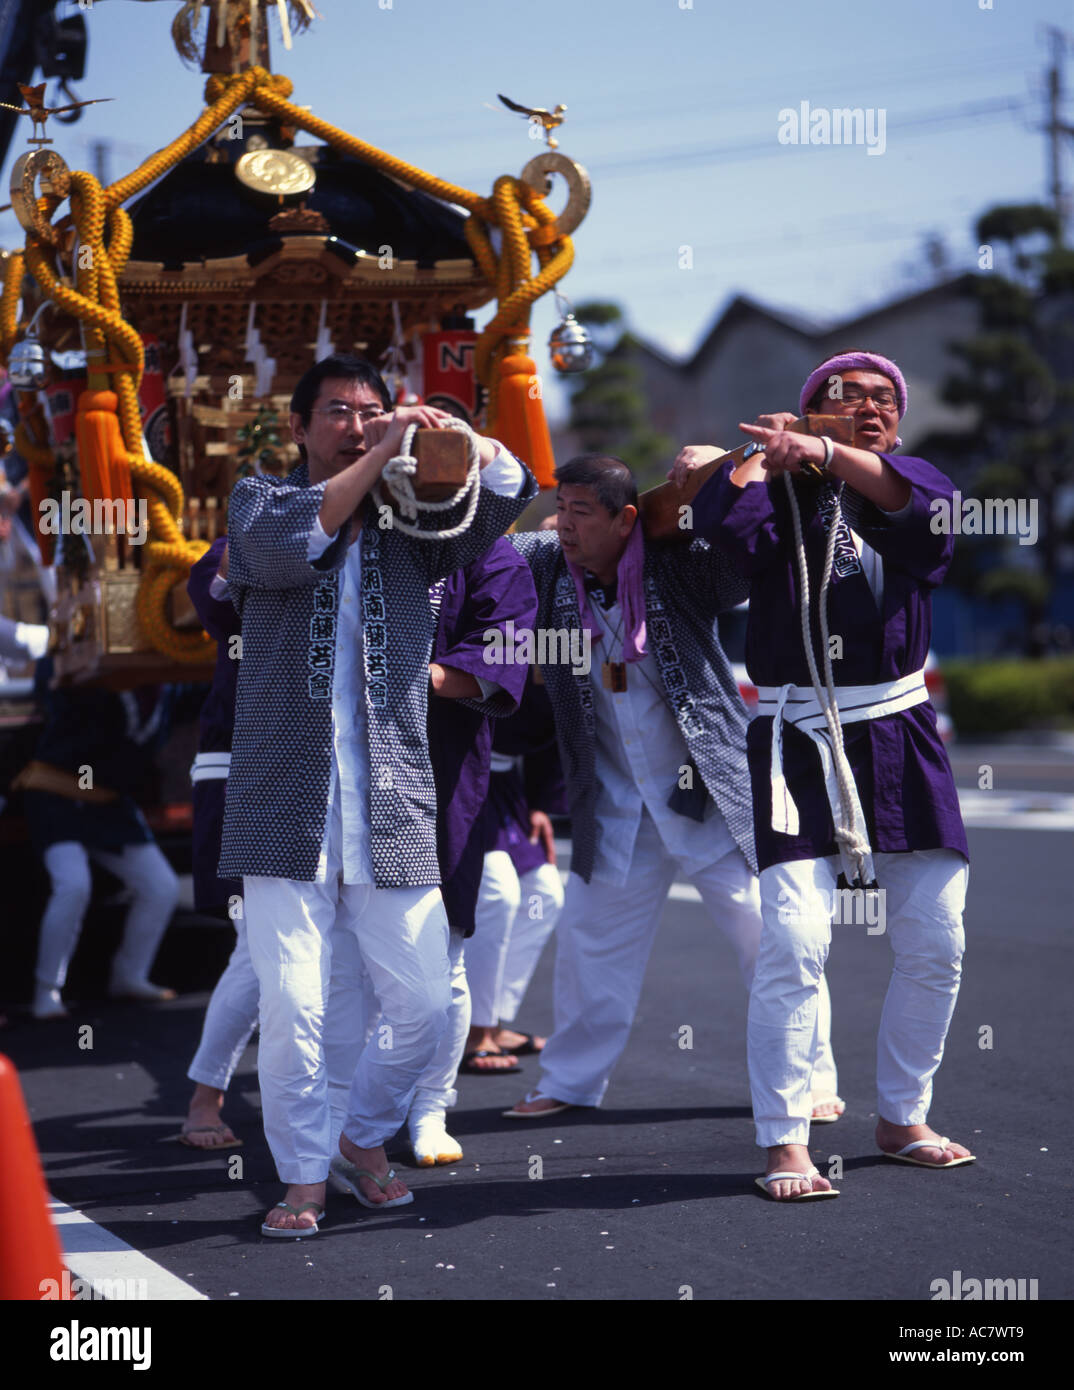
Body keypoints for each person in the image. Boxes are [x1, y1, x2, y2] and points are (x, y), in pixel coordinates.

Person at [220, 353, 536, 1235]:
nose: (357, 424)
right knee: (295, 1009)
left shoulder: (415, 527)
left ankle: (363, 1136)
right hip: (281, 804)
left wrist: (454, 437)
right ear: (297, 426)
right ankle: (304, 1179)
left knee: (428, 1003)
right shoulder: (260, 503)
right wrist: (385, 447)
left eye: (370, 411)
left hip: (392, 803)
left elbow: (511, 489)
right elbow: (304, 541)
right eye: (337, 412)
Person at [680, 349, 973, 1201]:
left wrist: (825, 455)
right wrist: (734, 466)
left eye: (884, 398)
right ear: (807, 414)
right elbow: (720, 544)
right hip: (797, 734)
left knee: (936, 939)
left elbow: (923, 511)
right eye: (845, 399)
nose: (868, 407)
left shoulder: (911, 478)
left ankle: (902, 1116)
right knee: (796, 945)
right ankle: (785, 1140)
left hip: (901, 730)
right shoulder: (774, 489)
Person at [504, 454, 839, 1121]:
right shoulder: (545, 567)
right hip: (615, 797)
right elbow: (488, 550)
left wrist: (719, 469)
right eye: (560, 510)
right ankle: (569, 1081)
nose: (565, 526)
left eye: (582, 513)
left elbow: (736, 557)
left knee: (772, 932)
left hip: (706, 787)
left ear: (627, 518)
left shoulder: (675, 568)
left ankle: (811, 1082)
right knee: (589, 940)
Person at [323, 536, 539, 1166]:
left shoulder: (494, 554)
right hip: (342, 778)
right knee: (342, 967)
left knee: (444, 955)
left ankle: (430, 1109)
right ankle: (343, 1119)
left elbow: (507, 653)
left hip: (441, 782)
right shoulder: (349, 529)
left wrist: (408, 670)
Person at [17, 666, 179, 1019]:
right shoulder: (87, 672)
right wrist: (82, 665)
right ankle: (47, 991)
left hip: (107, 800)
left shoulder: (167, 684)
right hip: (57, 790)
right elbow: (49, 678)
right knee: (74, 885)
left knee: (161, 886)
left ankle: (129, 974)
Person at [460, 672, 566, 1073]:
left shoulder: (564, 646)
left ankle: (495, 1019)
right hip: (460, 775)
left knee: (545, 895)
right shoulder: (505, 632)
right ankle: (474, 1032)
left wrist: (539, 802)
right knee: (498, 893)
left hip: (506, 787)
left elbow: (559, 726)